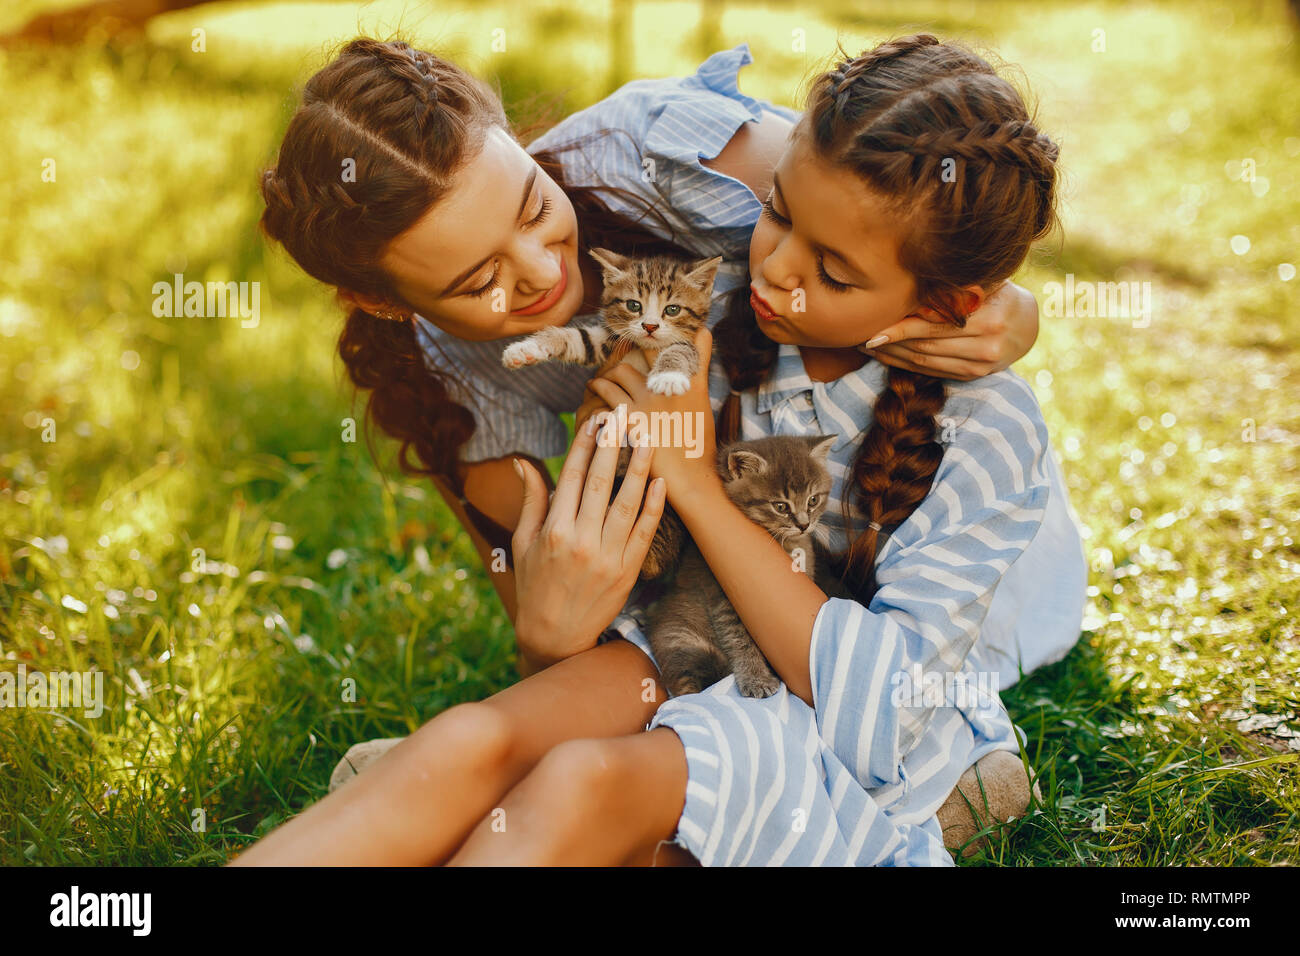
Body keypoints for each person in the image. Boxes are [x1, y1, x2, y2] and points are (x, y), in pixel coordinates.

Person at [233, 36, 1075, 866]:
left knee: (584, 788)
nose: (539, 272)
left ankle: (939, 784)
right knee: (474, 742)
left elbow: (897, 199)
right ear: (381, 302)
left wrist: (1001, 308)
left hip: (909, 604)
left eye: (532, 206)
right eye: (473, 279)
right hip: (695, 628)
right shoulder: (731, 322)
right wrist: (549, 631)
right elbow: (568, 610)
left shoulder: (690, 192)